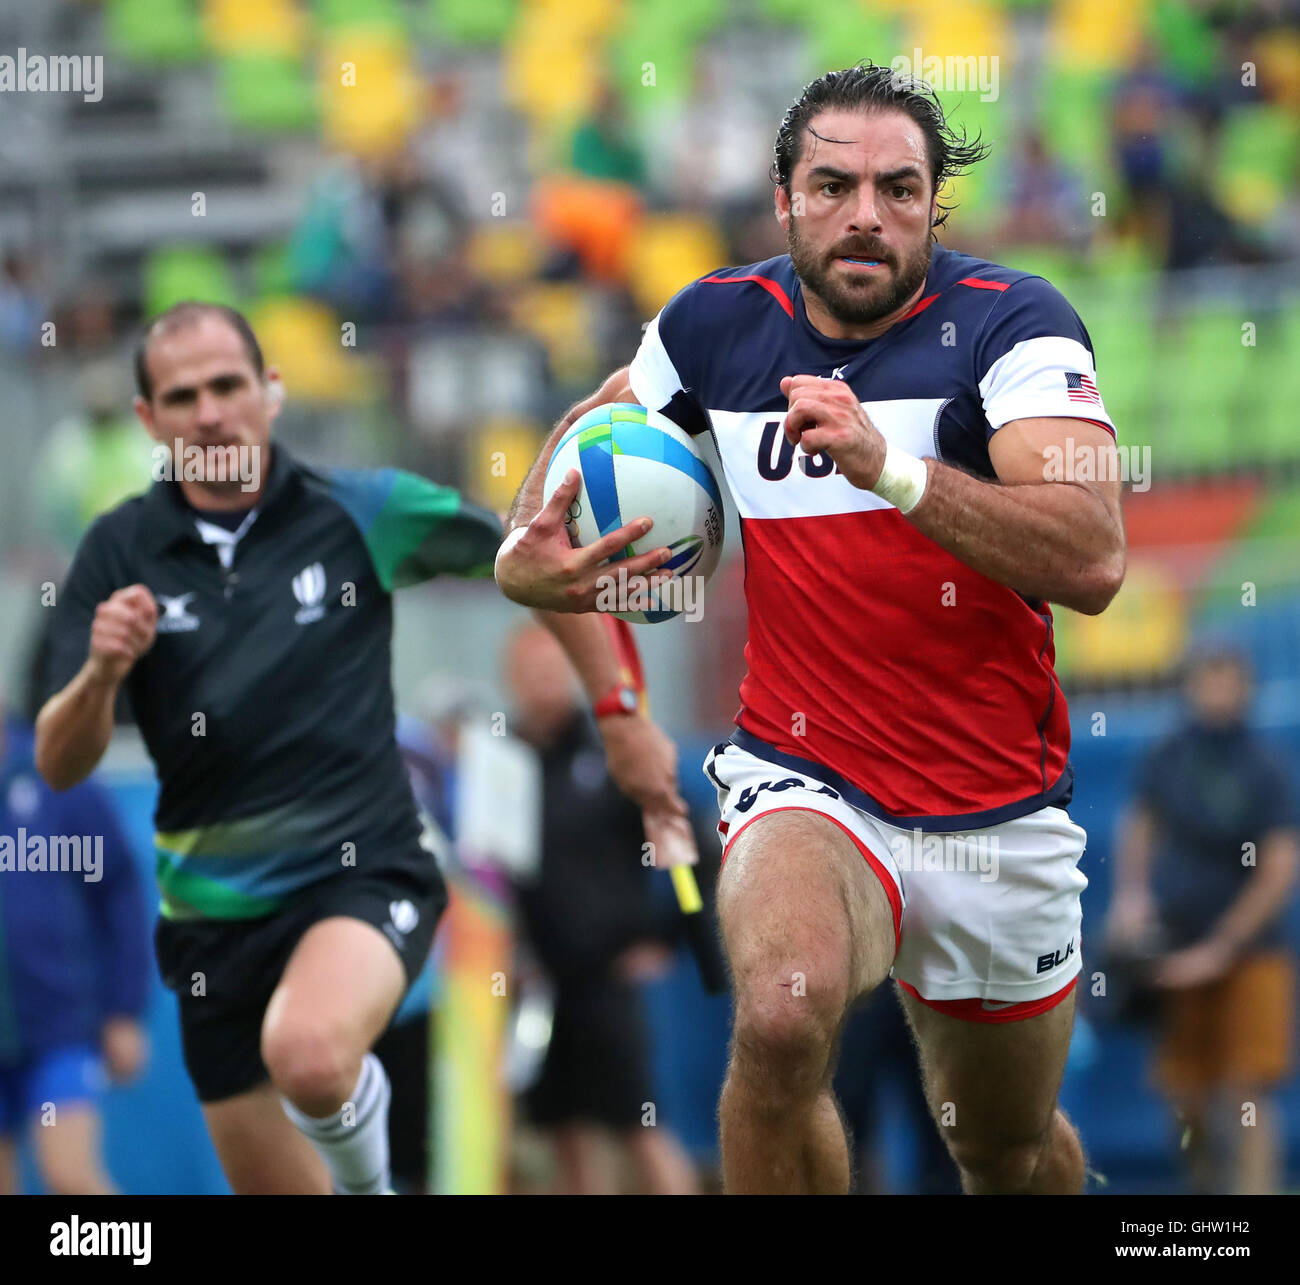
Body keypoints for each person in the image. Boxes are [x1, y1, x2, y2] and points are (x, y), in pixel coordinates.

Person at [497, 61, 1128, 1194]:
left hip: (994, 806)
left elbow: (1090, 555)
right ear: (783, 197)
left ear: (936, 202)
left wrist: (892, 470)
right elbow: (590, 431)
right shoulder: (714, 324)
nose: (865, 216)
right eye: (832, 186)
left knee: (1002, 1148)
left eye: (897, 189)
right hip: (806, 775)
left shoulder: (1014, 325)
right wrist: (521, 548)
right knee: (783, 1020)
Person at [34, 301, 689, 1195]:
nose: (211, 410)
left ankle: (370, 1177)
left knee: (307, 1055)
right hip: (209, 921)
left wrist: (617, 713)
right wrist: (102, 674)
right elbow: (60, 761)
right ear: (149, 420)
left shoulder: (362, 510)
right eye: (182, 395)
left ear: (270, 391)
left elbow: (528, 560)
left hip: (365, 865)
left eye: (228, 384)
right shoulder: (118, 550)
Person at [503, 623, 696, 1195]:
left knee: (640, 1126)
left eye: (549, 667)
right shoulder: (504, 763)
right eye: (527, 670)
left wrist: (670, 936)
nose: (540, 682)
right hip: (540, 983)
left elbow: (684, 841)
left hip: (609, 981)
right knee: (564, 1132)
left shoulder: (611, 753)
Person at [1108, 644, 1298, 1194]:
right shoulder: (1167, 755)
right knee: (1185, 1095)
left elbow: (1280, 864)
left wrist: (1223, 947)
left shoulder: (1267, 766)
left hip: (1252, 953)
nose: (1216, 689)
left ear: (1246, 687)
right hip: (1177, 945)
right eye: (1206, 677)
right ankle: (1205, 1198)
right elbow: (1139, 826)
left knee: (1247, 1092)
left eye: (1227, 678)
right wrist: (1130, 899)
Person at [0, 705, 150, 1194]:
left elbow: (120, 896)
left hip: (59, 1029)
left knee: (70, 1177)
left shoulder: (56, 770)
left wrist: (123, 1010)